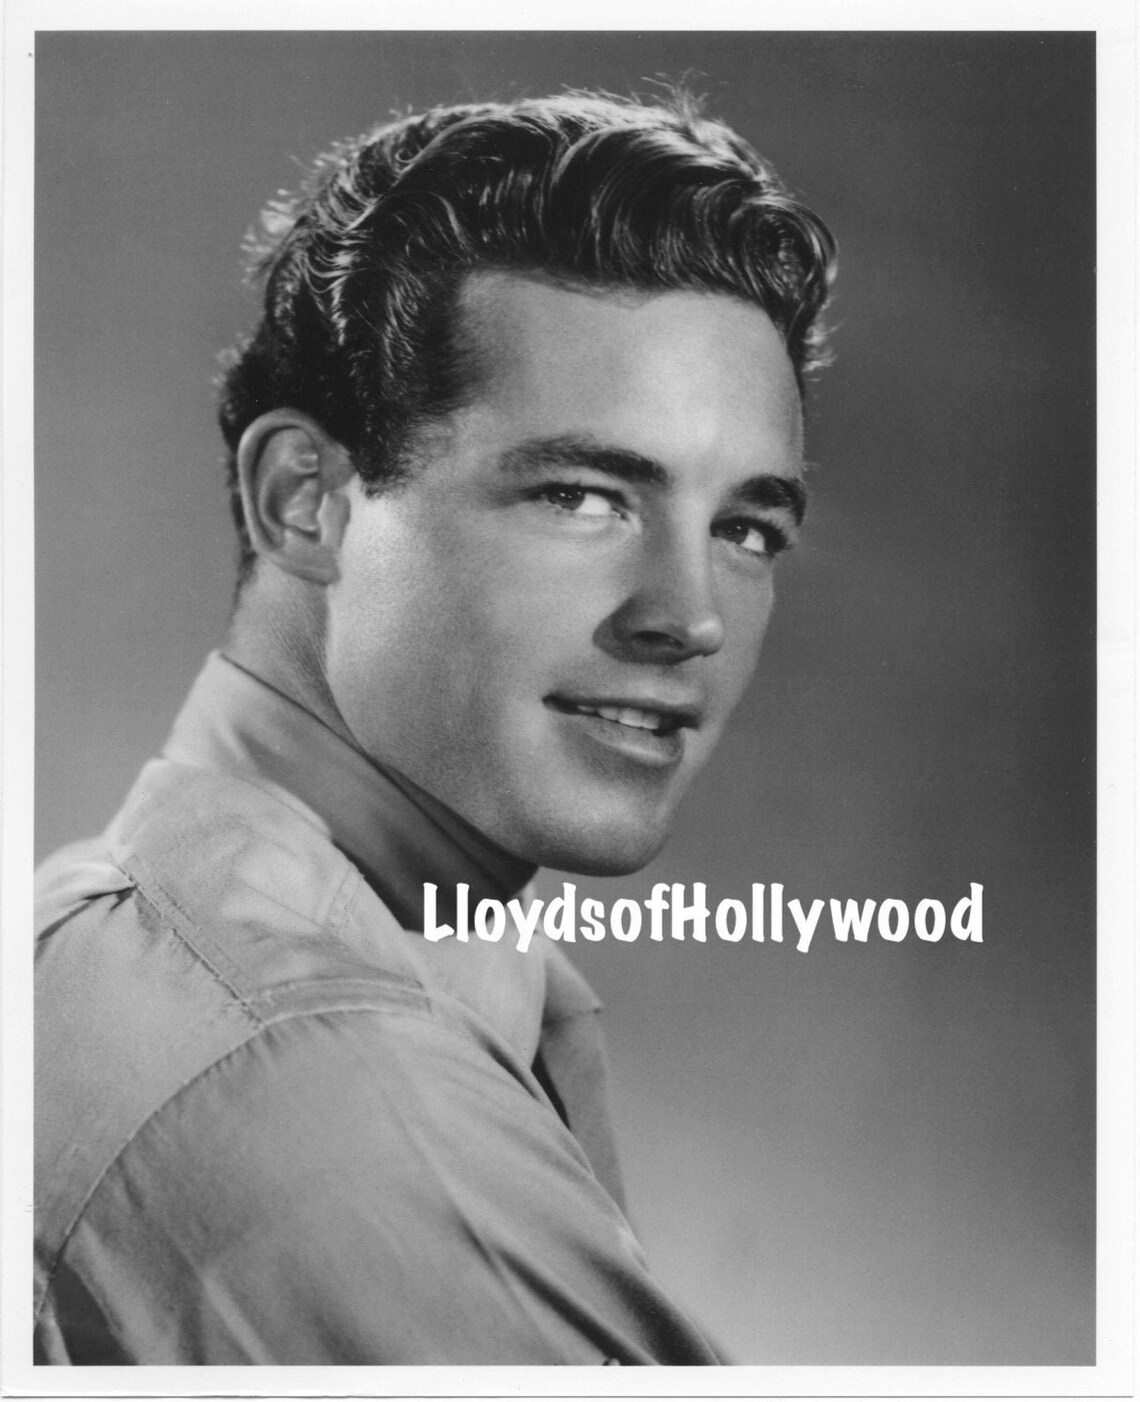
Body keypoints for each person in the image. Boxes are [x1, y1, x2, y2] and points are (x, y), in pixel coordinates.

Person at [33, 90, 835, 1365]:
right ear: (308, 501)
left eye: (746, 527)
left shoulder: (122, 933)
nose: (690, 617)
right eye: (581, 495)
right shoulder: (320, 1079)